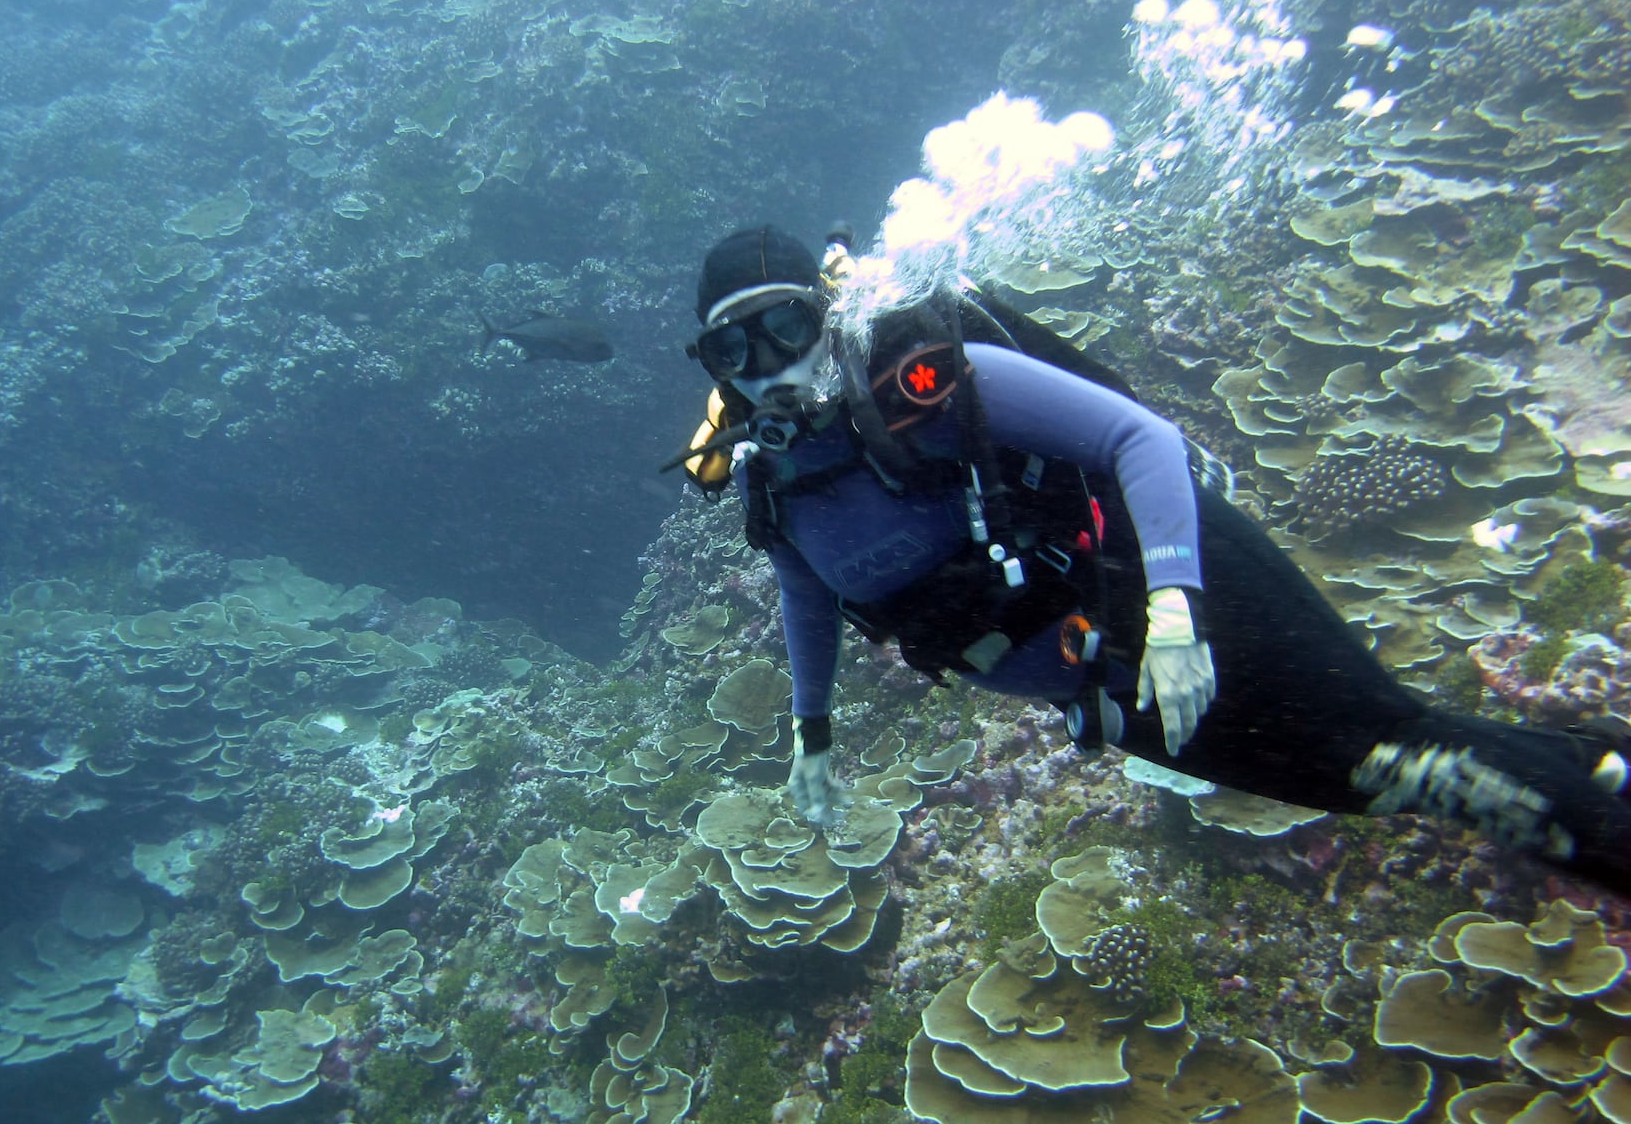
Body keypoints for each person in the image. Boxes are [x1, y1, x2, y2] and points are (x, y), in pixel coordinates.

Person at [672, 224, 1631, 886]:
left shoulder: (932, 386)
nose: (771, 366)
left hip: (1183, 595)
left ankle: (1605, 813)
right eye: (735, 350)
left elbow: (1142, 443)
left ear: (824, 311)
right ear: (714, 368)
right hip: (1107, 692)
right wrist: (811, 733)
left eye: (785, 328)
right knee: (1367, 787)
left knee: (1403, 754)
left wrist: (1175, 608)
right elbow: (807, 595)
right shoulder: (773, 485)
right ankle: (1596, 774)